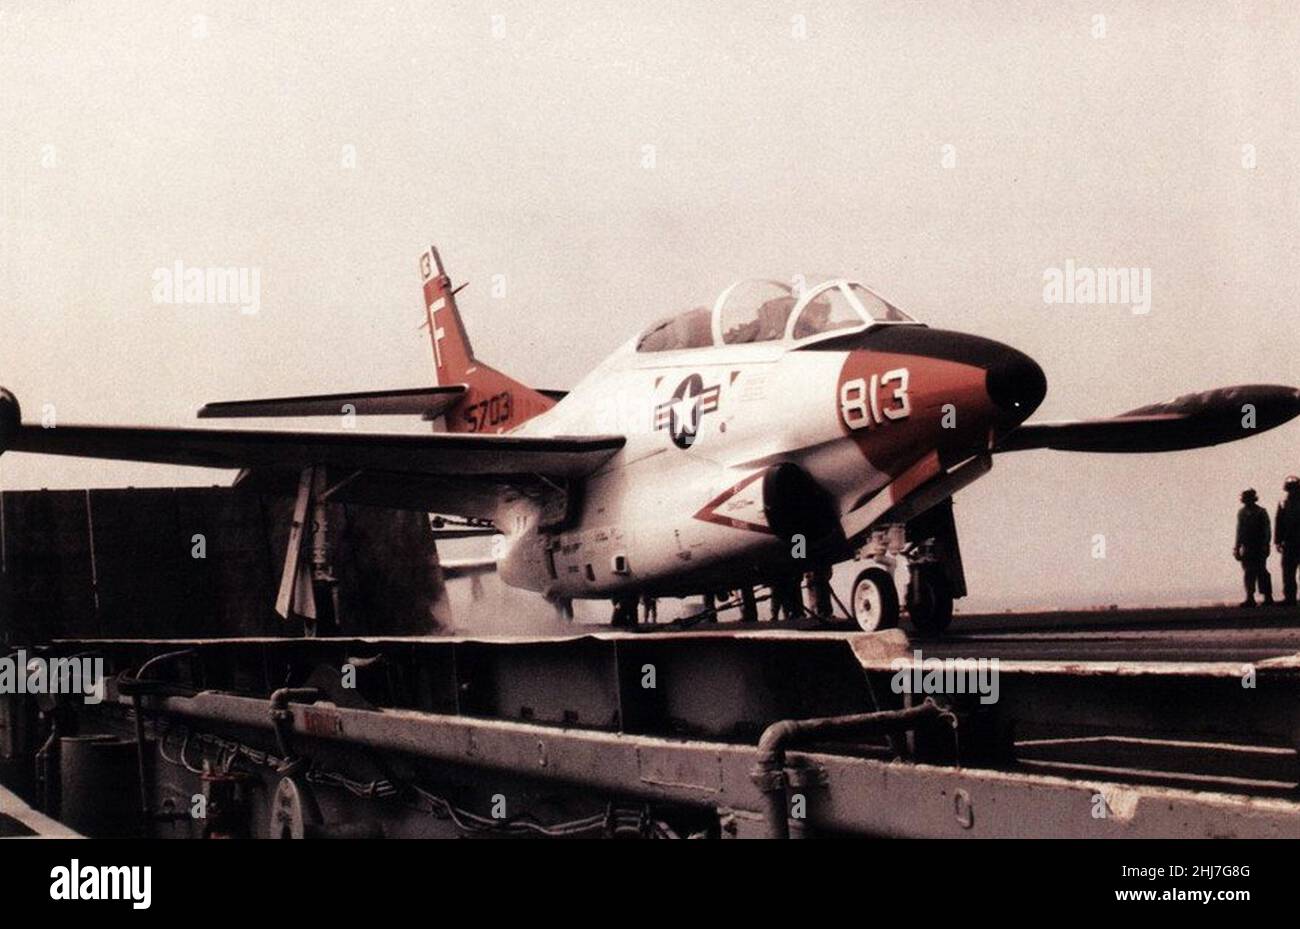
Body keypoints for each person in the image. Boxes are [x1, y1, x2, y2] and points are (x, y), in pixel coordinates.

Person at [1234, 488, 1273, 607]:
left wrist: (1265, 545)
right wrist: (1237, 547)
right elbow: (1239, 530)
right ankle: (1250, 598)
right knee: (1249, 572)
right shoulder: (1242, 513)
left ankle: (1268, 597)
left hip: (1259, 546)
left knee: (1262, 572)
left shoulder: (1261, 512)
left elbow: (1267, 530)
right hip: (1247, 546)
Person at [1277, 475, 1300, 606]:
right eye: (1290, 489)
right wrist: (1278, 541)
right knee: (1288, 572)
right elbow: (1279, 522)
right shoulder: (1283, 503)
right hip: (1289, 543)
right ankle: (1290, 598)